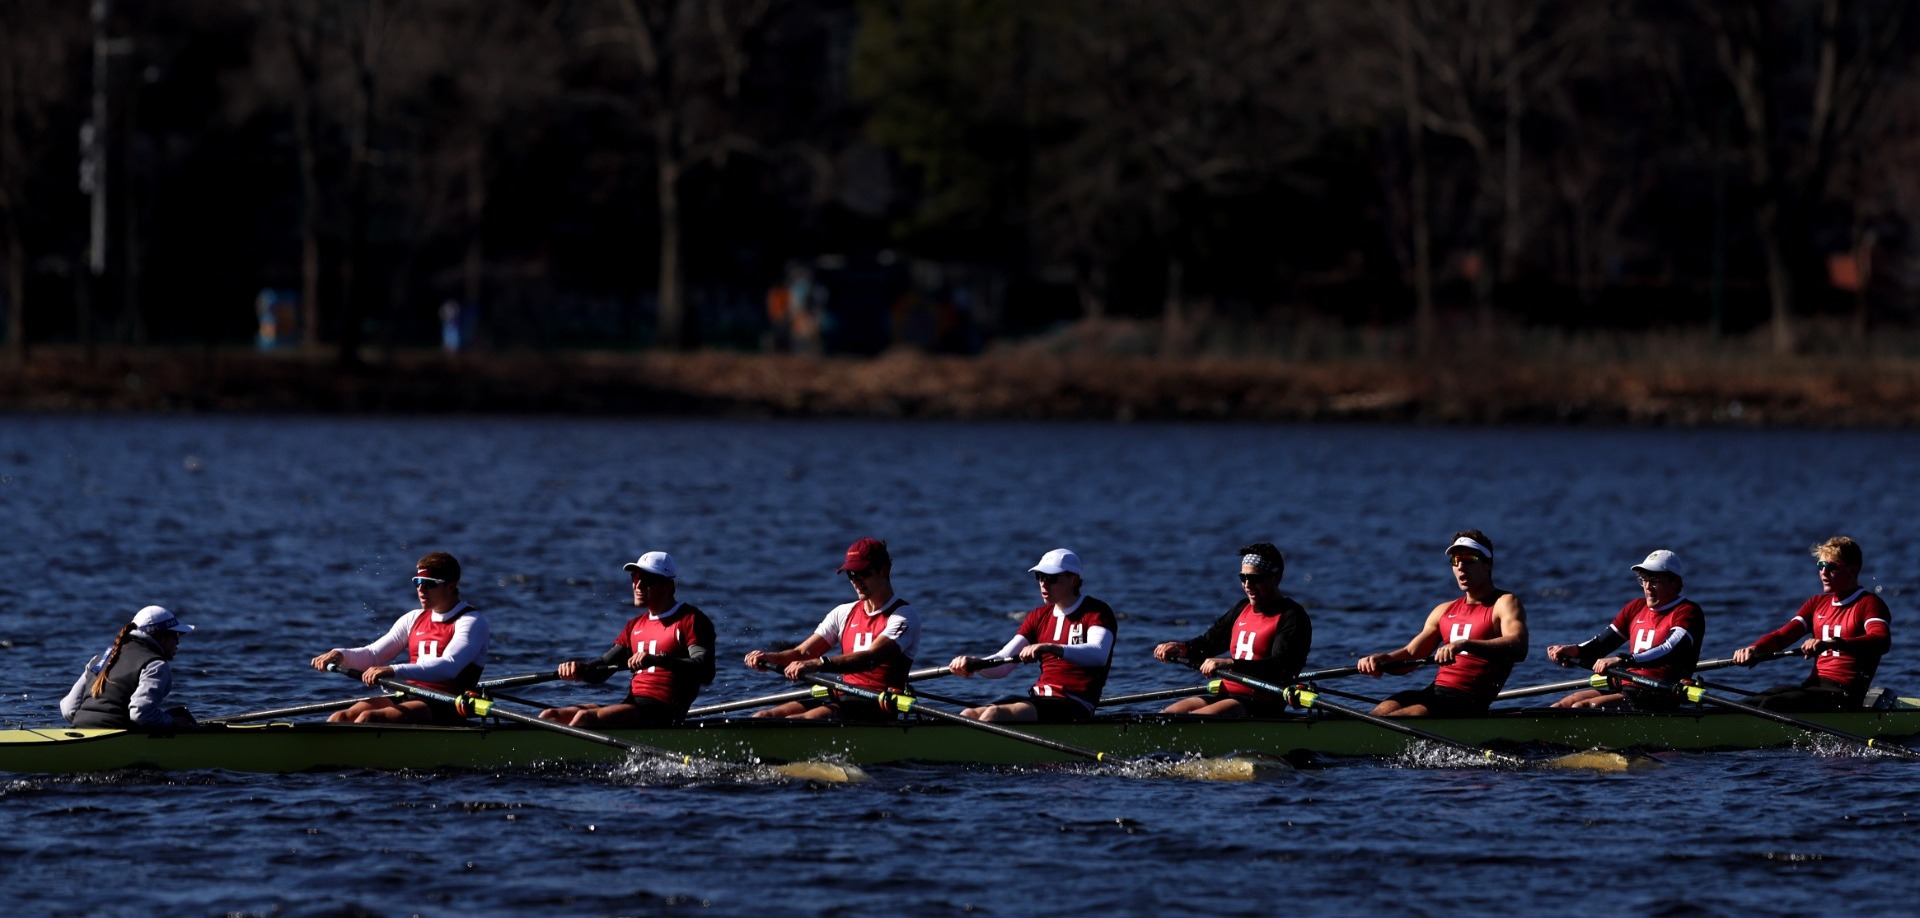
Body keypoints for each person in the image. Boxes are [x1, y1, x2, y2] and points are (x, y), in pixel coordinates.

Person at [742, 537, 921, 720]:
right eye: (851, 574)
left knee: (804, 720)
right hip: (842, 695)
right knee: (763, 716)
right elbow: (803, 653)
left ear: (884, 570)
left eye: (863, 573)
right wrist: (772, 658)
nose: (856, 580)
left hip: (876, 704)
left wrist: (820, 664)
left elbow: (871, 658)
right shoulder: (843, 613)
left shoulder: (903, 616)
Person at [1357, 530, 1529, 717]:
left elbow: (1518, 646)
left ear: (1488, 563)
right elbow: (1411, 656)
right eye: (1456, 560)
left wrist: (1464, 645)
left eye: (1469, 558)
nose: (1461, 566)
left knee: (1400, 719)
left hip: (1466, 701)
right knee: (1380, 712)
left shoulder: (1504, 603)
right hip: (1436, 693)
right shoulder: (1443, 611)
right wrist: (1382, 660)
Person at [308, 551, 490, 724]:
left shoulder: (471, 622)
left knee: (368, 718)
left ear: (450, 586)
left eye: (428, 583)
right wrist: (340, 655)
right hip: (409, 695)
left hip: (447, 704)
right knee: (340, 717)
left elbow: (450, 666)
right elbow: (372, 655)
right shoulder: (414, 618)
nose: (421, 589)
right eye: (417, 582)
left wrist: (394, 670)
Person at [540, 551, 716, 727]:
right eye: (635, 577)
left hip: (663, 713)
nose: (638, 585)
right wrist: (580, 669)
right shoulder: (634, 626)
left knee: (585, 718)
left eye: (646, 579)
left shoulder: (691, 620)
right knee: (550, 715)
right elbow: (603, 668)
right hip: (633, 707)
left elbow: (705, 670)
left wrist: (657, 660)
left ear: (668, 586)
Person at [947, 548, 1118, 722]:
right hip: (1041, 698)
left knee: (994, 714)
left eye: (1051, 578)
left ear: (1074, 579)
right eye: (1040, 577)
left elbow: (1098, 654)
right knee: (968, 714)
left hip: (1075, 704)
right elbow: (1003, 662)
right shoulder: (1038, 616)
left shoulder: (1096, 611)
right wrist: (976, 664)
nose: (1044, 583)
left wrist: (1051, 648)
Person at [1151, 541, 1311, 718]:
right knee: (1165, 716)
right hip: (1227, 694)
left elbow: (1281, 667)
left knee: (1192, 721)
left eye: (1255, 578)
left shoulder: (1292, 616)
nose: (1248, 585)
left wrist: (1231, 663)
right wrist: (1182, 648)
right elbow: (1208, 643)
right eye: (1243, 578)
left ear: (1276, 577)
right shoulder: (1241, 609)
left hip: (1263, 701)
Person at [1731, 536, 1892, 711]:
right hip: (1813, 687)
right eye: (1820, 566)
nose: (1823, 572)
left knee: (1772, 704)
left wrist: (1832, 643)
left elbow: (1881, 640)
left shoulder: (1869, 604)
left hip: (1844, 695)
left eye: (1831, 567)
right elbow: (1781, 637)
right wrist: (1755, 649)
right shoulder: (1816, 604)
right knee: (1747, 704)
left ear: (1852, 570)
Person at [1544, 550, 1706, 710]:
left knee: (1583, 707)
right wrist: (1575, 650)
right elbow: (1602, 644)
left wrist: (1624, 660)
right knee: (1561, 706)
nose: (1648, 587)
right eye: (1643, 580)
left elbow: (1669, 649)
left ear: (1674, 582)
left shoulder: (1688, 611)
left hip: (1661, 694)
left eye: (1654, 580)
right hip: (1627, 688)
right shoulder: (1635, 607)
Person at [61, 605, 198, 730]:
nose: (178, 642)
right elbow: (141, 713)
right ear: (160, 636)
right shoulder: (155, 665)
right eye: (175, 635)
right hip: (117, 738)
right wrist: (173, 723)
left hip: (80, 728)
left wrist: (92, 722)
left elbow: (68, 709)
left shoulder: (98, 659)